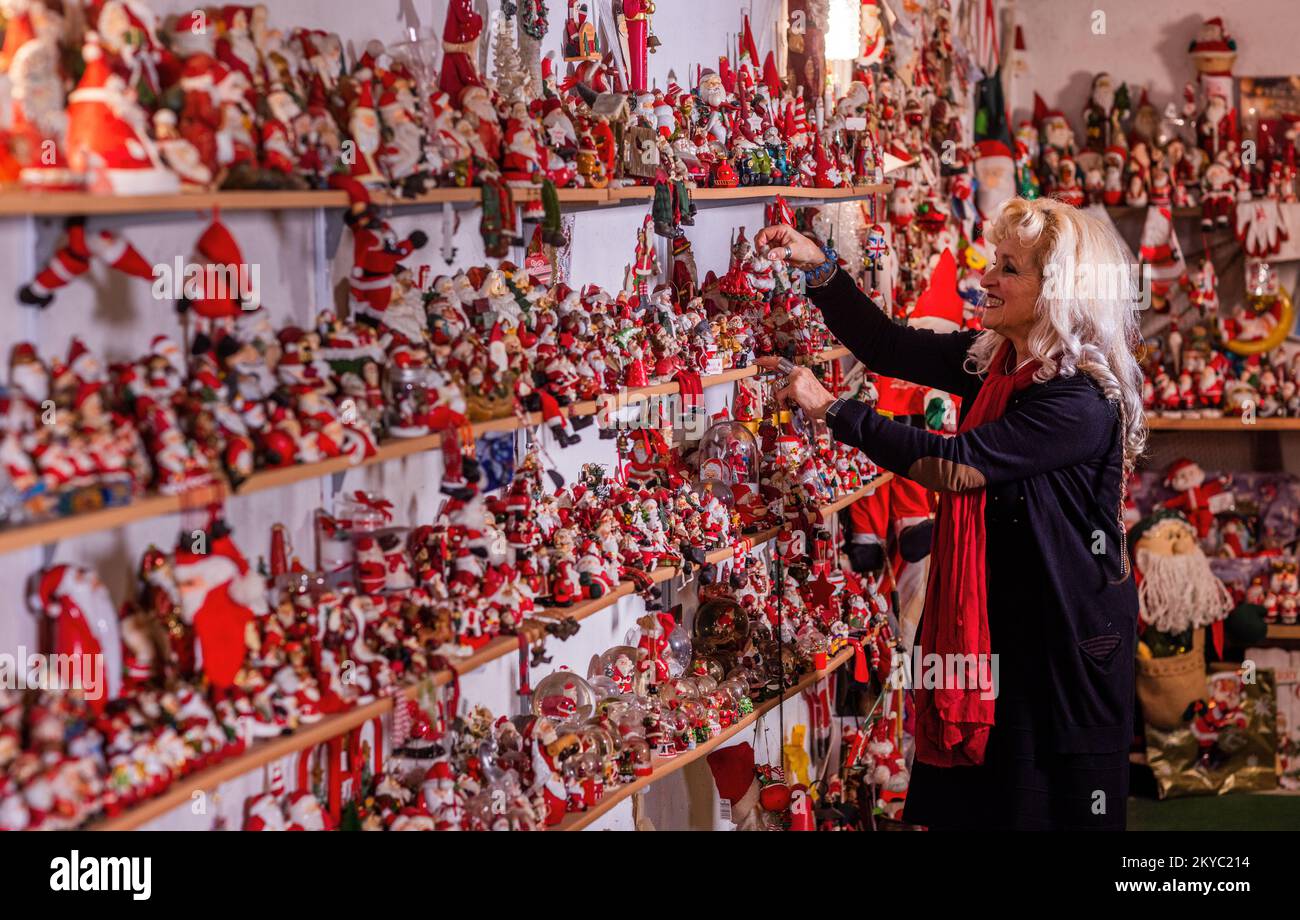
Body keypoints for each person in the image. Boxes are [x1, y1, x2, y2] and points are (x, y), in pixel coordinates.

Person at [755, 197, 1144, 830]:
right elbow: (888, 346)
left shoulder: (1077, 399)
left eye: (1009, 268)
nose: (987, 277)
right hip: (1002, 626)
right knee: (985, 805)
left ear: (1058, 291)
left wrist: (834, 410)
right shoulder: (999, 363)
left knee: (1050, 810)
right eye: (994, 261)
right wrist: (820, 269)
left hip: (1064, 642)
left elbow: (954, 465)